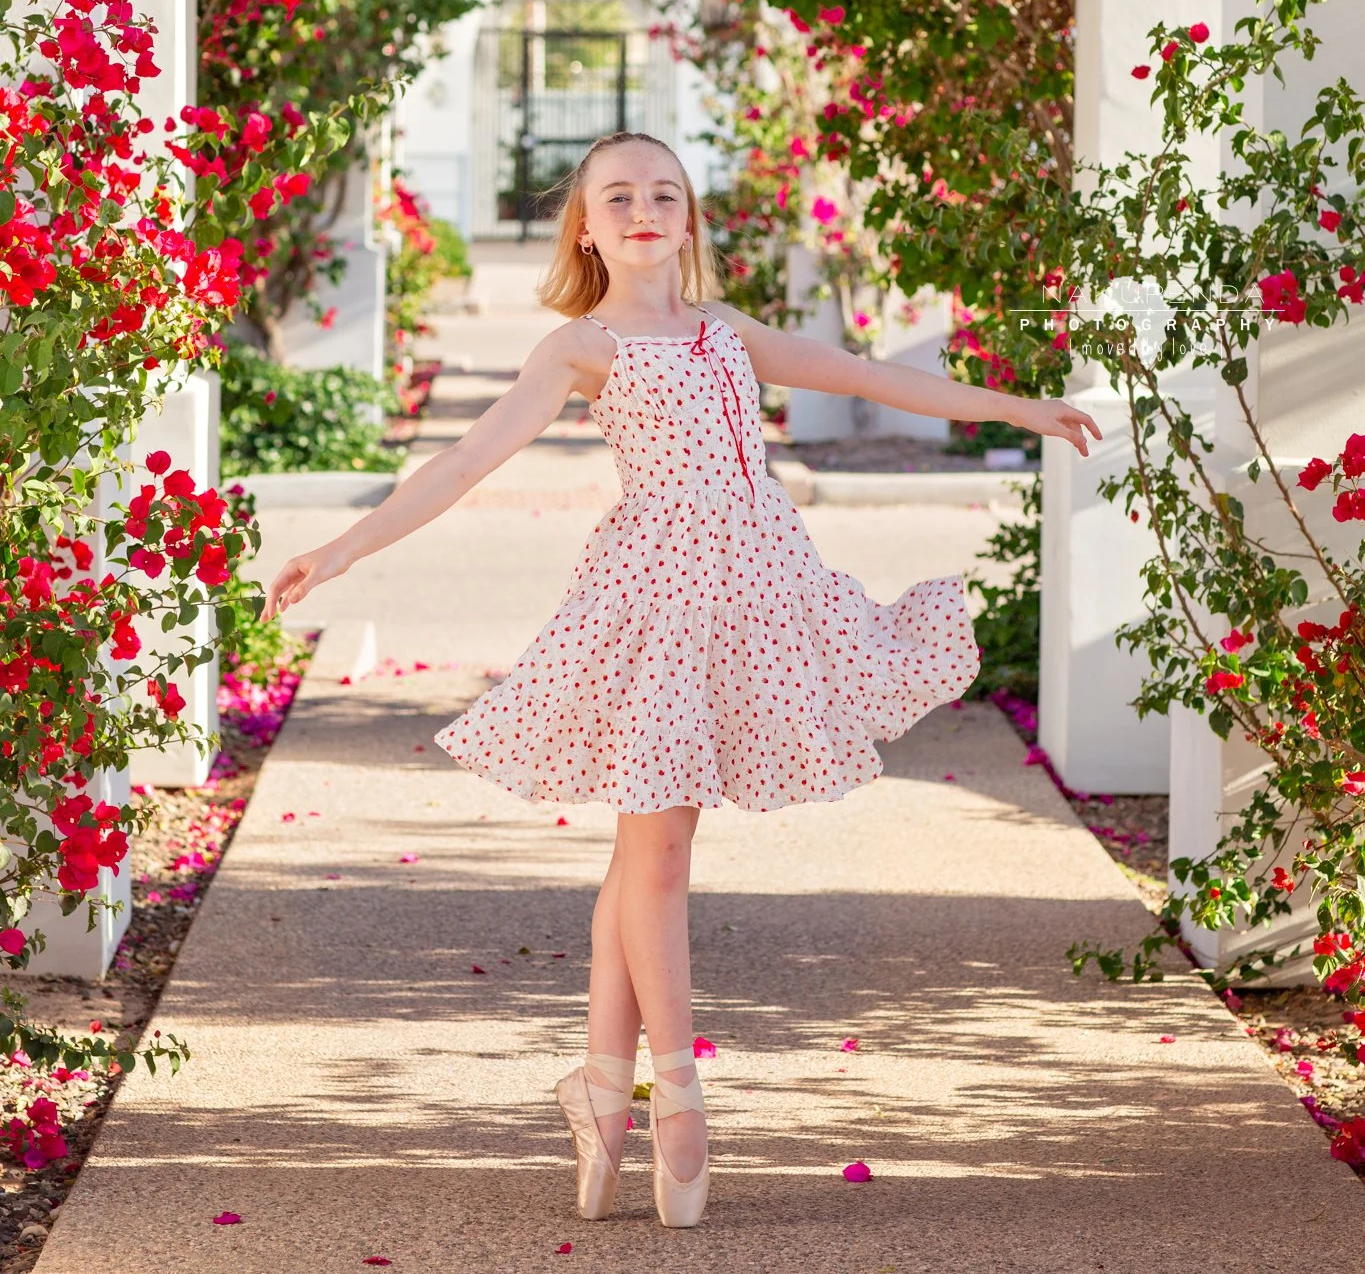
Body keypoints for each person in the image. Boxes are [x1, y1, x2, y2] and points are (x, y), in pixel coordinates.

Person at [264, 130, 1100, 1230]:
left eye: (664, 192)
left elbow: (868, 374)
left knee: (643, 854)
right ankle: (680, 1097)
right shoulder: (581, 346)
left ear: (689, 217)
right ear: (586, 227)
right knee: (656, 853)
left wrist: (1021, 409)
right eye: (619, 196)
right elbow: (464, 460)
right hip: (653, 606)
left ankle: (599, 1091)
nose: (644, 209)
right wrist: (342, 549)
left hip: (759, 598)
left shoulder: (725, 330)